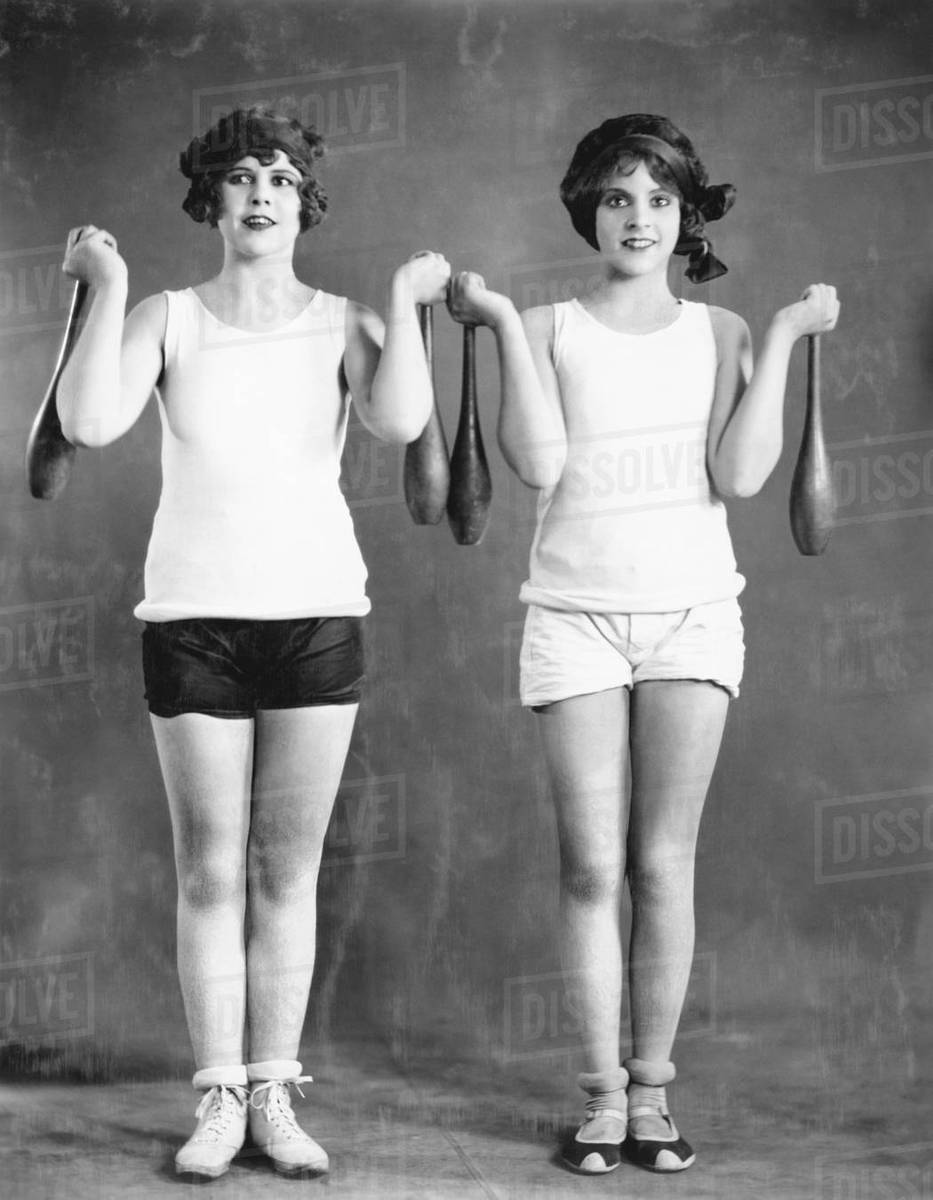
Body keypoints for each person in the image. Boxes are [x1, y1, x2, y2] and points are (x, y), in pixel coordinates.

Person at [57, 106, 449, 1180]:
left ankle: (275, 1089)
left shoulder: (346, 322)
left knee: (287, 873)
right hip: (193, 624)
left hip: (316, 623)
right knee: (208, 876)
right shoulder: (172, 318)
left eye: (280, 176)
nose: (262, 192)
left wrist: (410, 305)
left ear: (305, 200)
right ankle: (219, 1097)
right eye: (239, 177)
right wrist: (107, 284)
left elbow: (402, 423)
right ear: (211, 202)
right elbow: (90, 423)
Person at [446, 112, 838, 1175]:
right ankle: (602, 1100)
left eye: (659, 198)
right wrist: (487, 320)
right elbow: (536, 462)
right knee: (591, 867)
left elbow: (742, 477)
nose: (638, 217)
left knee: (663, 864)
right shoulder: (544, 325)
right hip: (572, 618)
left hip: (692, 614)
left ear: (687, 214)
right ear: (588, 208)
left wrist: (790, 337)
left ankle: (655, 1096)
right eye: (618, 196)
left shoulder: (721, 335)